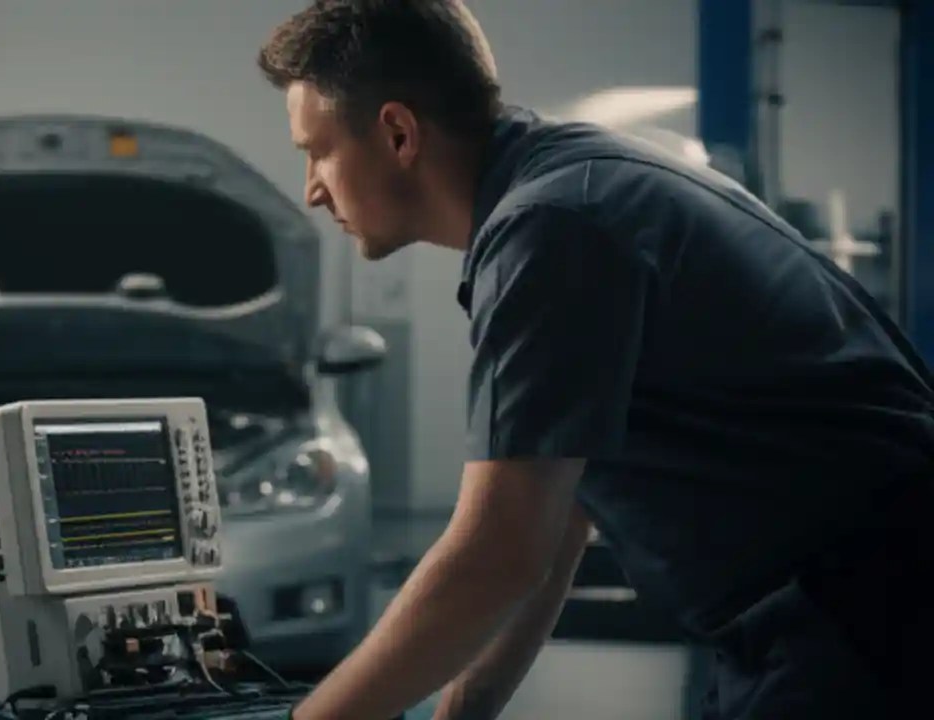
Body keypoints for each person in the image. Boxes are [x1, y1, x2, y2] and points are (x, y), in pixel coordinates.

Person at [255, 1, 934, 719]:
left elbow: (500, 551)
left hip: (868, 622)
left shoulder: (549, 227)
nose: (312, 189)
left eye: (316, 150)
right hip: (850, 611)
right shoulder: (572, 183)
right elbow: (550, 528)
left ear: (397, 133)